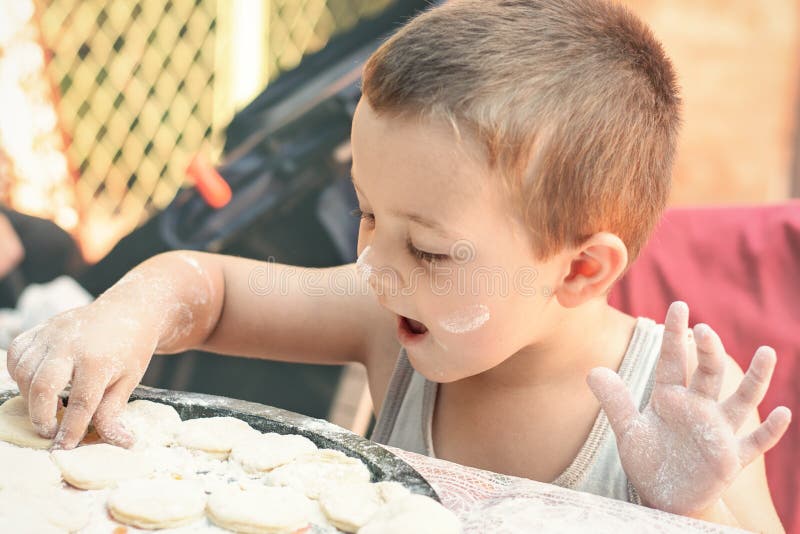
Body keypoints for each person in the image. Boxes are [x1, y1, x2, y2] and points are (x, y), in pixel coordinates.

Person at [6, 1, 791, 530]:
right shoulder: (389, 316)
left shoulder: (685, 415)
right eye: (366, 213)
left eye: (426, 247)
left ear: (580, 270)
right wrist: (122, 314)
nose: (375, 267)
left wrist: (687, 512)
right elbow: (207, 291)